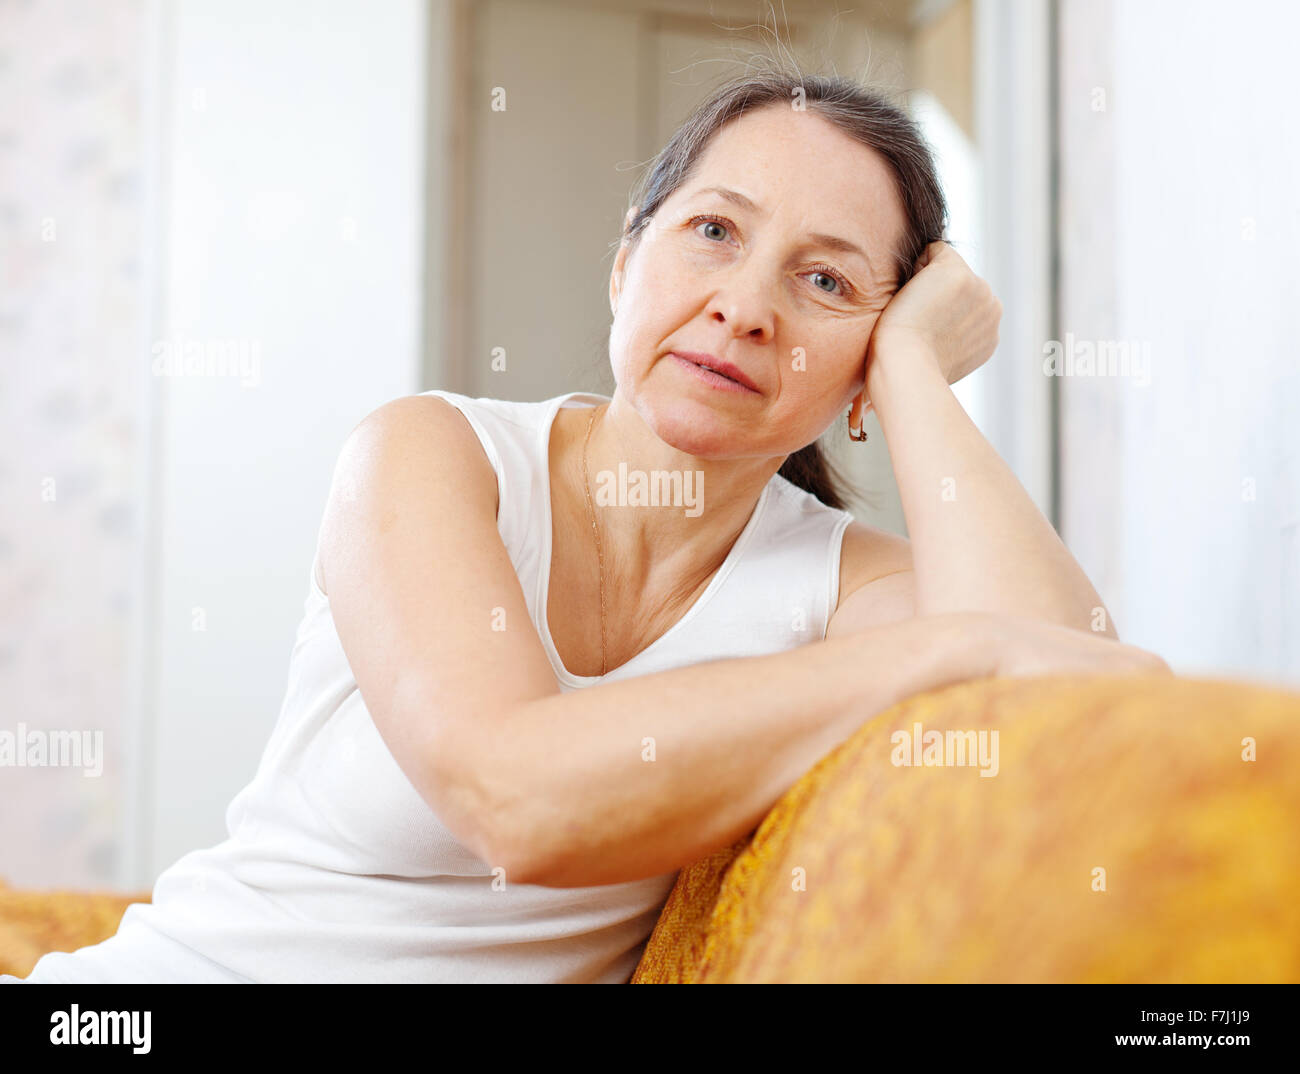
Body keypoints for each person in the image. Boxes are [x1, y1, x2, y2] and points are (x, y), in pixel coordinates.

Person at [5, 65, 1168, 985]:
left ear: (861, 372)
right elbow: (516, 800)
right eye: (714, 230)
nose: (743, 306)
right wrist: (948, 651)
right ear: (626, 262)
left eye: (825, 283)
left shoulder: (832, 584)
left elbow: (1084, 706)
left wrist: (913, 369)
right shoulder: (431, 453)